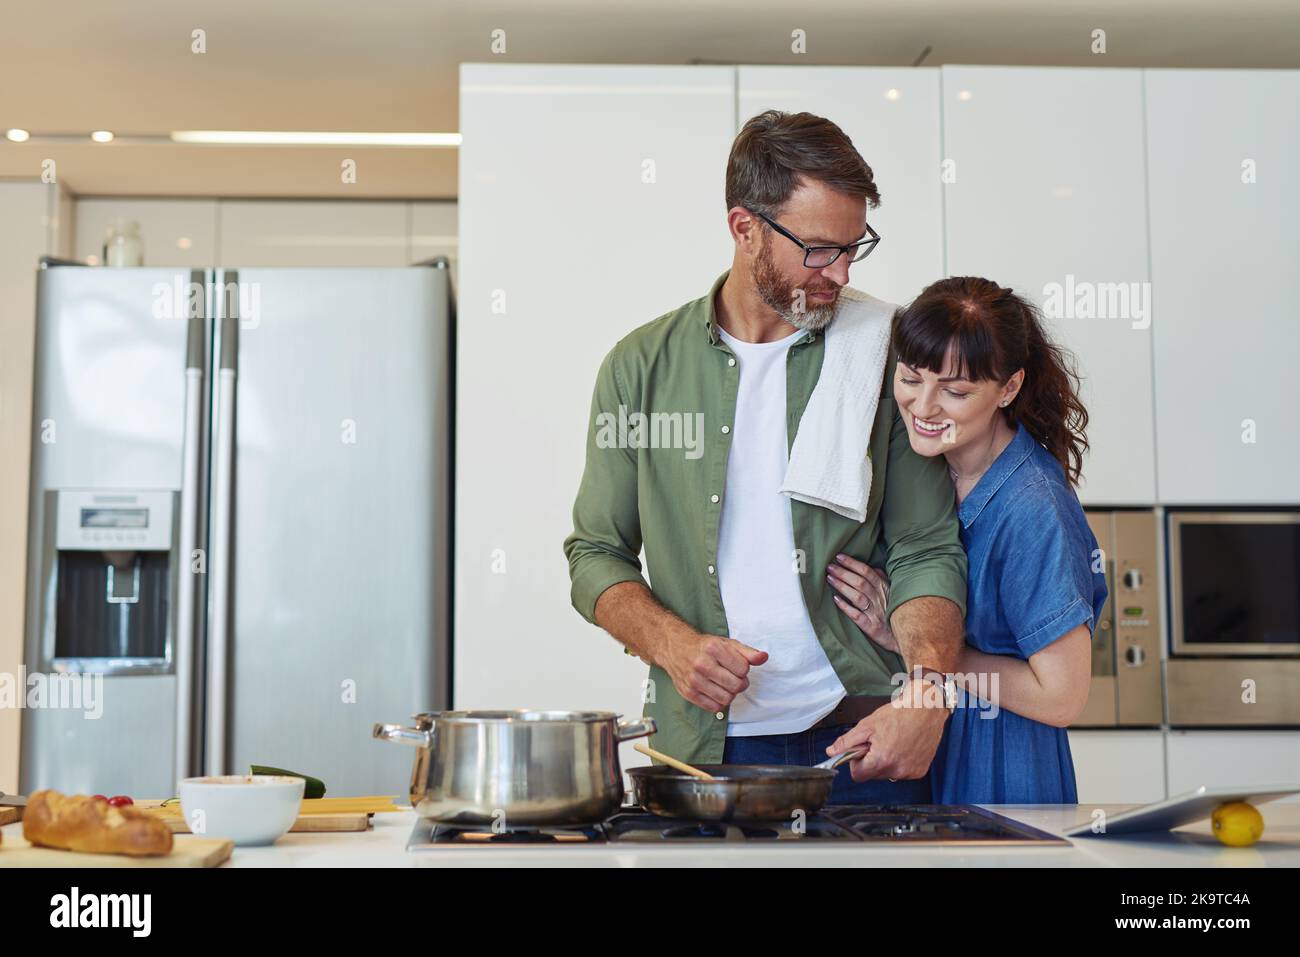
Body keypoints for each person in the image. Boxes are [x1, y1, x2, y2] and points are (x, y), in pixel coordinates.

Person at [563, 110, 967, 803]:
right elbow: (595, 551)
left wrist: (927, 693)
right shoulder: (640, 368)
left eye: (853, 246)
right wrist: (672, 644)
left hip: (865, 735)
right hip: (702, 751)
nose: (838, 272)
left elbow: (926, 547)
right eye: (816, 248)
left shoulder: (887, 355)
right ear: (744, 227)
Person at [826, 277, 1108, 802]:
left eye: (955, 392)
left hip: (1005, 775)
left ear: (1009, 388)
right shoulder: (922, 477)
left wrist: (916, 647)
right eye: (910, 378)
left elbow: (1063, 697)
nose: (924, 406)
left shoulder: (1031, 506)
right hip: (934, 761)